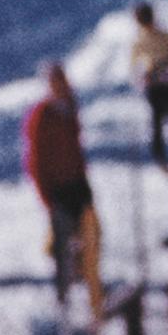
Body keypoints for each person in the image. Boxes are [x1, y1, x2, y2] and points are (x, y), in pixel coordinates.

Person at [24, 61, 98, 309]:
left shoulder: (70, 107)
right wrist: (46, 194)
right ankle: (63, 296)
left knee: (90, 236)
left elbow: (76, 149)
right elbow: (35, 159)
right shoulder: (42, 115)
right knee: (62, 242)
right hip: (58, 189)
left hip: (78, 184)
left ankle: (91, 289)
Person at [131, 3, 168, 173]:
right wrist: (143, 77)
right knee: (157, 120)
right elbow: (135, 64)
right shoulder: (139, 40)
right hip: (155, 83)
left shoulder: (163, 35)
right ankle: (160, 154)